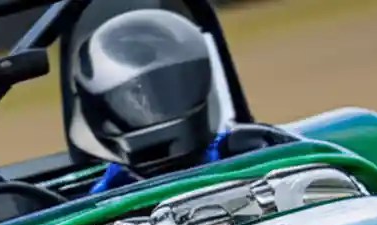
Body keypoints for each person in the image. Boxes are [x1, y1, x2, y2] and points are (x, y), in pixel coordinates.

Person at [66, 8, 297, 194]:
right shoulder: (113, 188)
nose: (151, 103)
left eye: (165, 85)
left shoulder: (253, 145)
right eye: (136, 95)